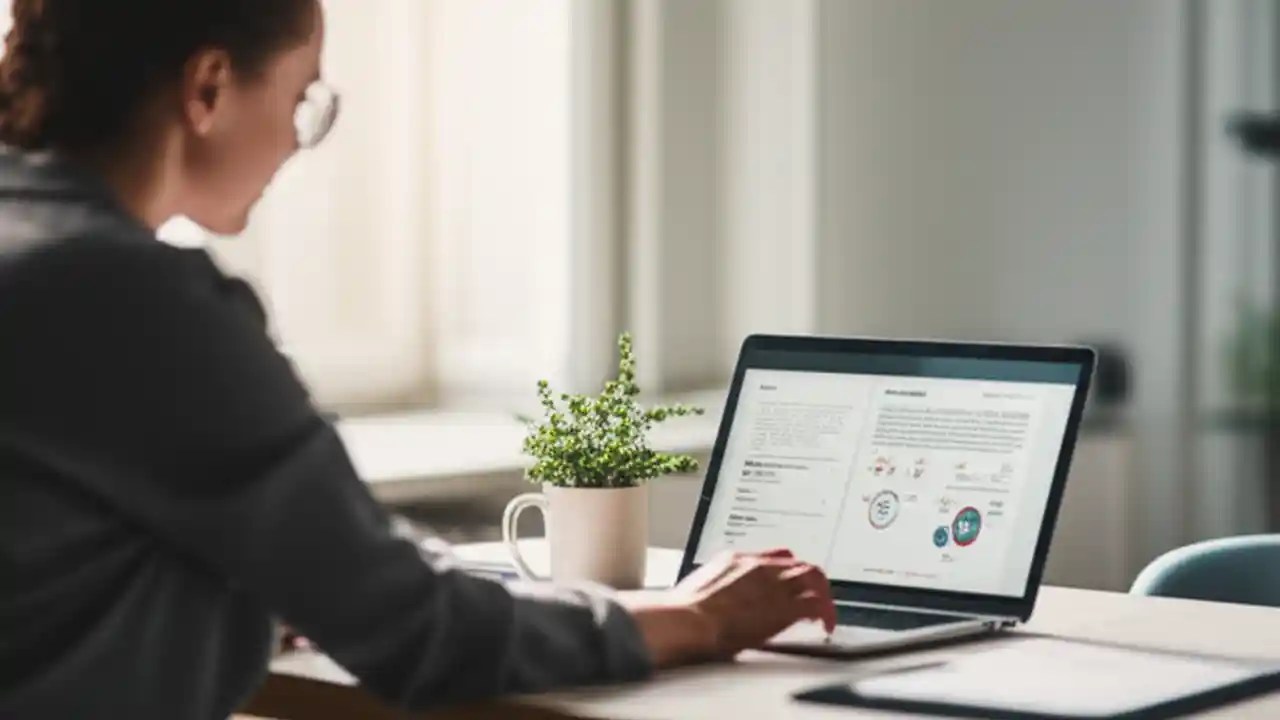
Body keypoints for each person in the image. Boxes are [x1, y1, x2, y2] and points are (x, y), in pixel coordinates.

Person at [0, 1, 837, 718]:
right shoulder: (129, 302)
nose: (297, 141)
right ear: (210, 85)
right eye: (301, 98)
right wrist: (698, 618)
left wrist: (275, 589)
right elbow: (417, 630)